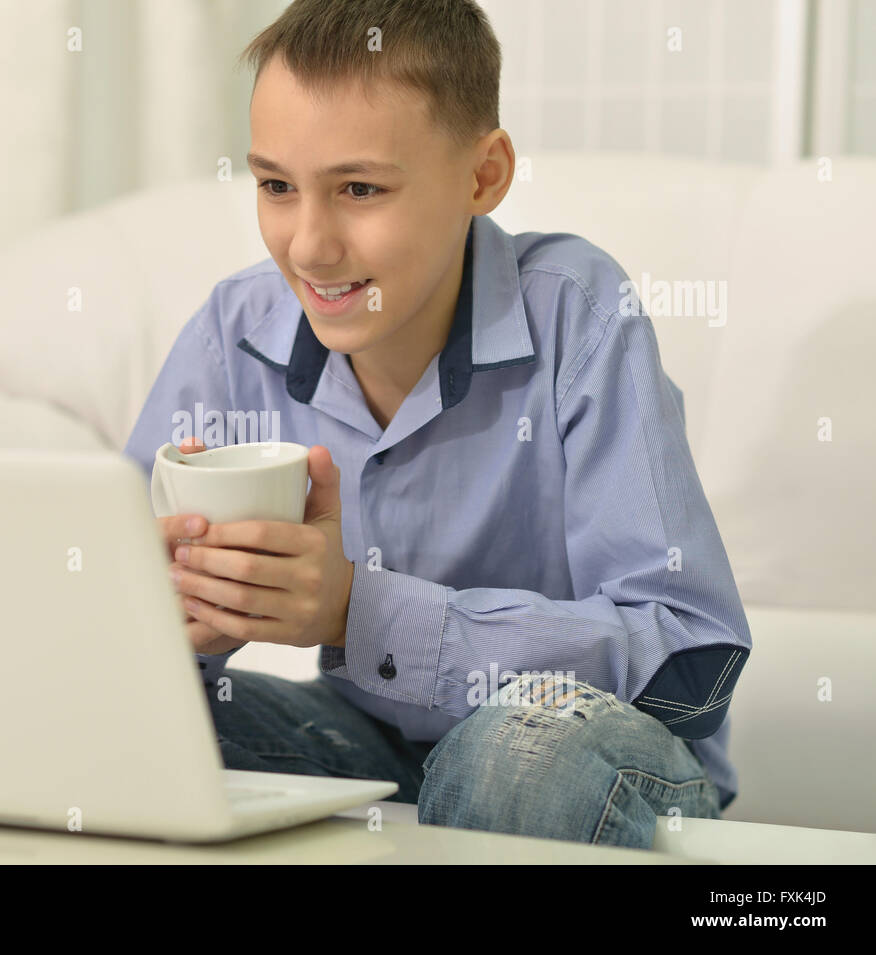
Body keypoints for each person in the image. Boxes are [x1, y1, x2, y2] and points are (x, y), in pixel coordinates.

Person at [122, 0, 751, 850]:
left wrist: (358, 612)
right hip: (371, 745)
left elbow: (693, 662)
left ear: (483, 176)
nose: (308, 246)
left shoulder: (580, 314)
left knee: (513, 754)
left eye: (360, 189)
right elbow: (106, 625)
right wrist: (186, 617)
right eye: (276, 185)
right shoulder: (235, 330)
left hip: (590, 756)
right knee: (97, 724)